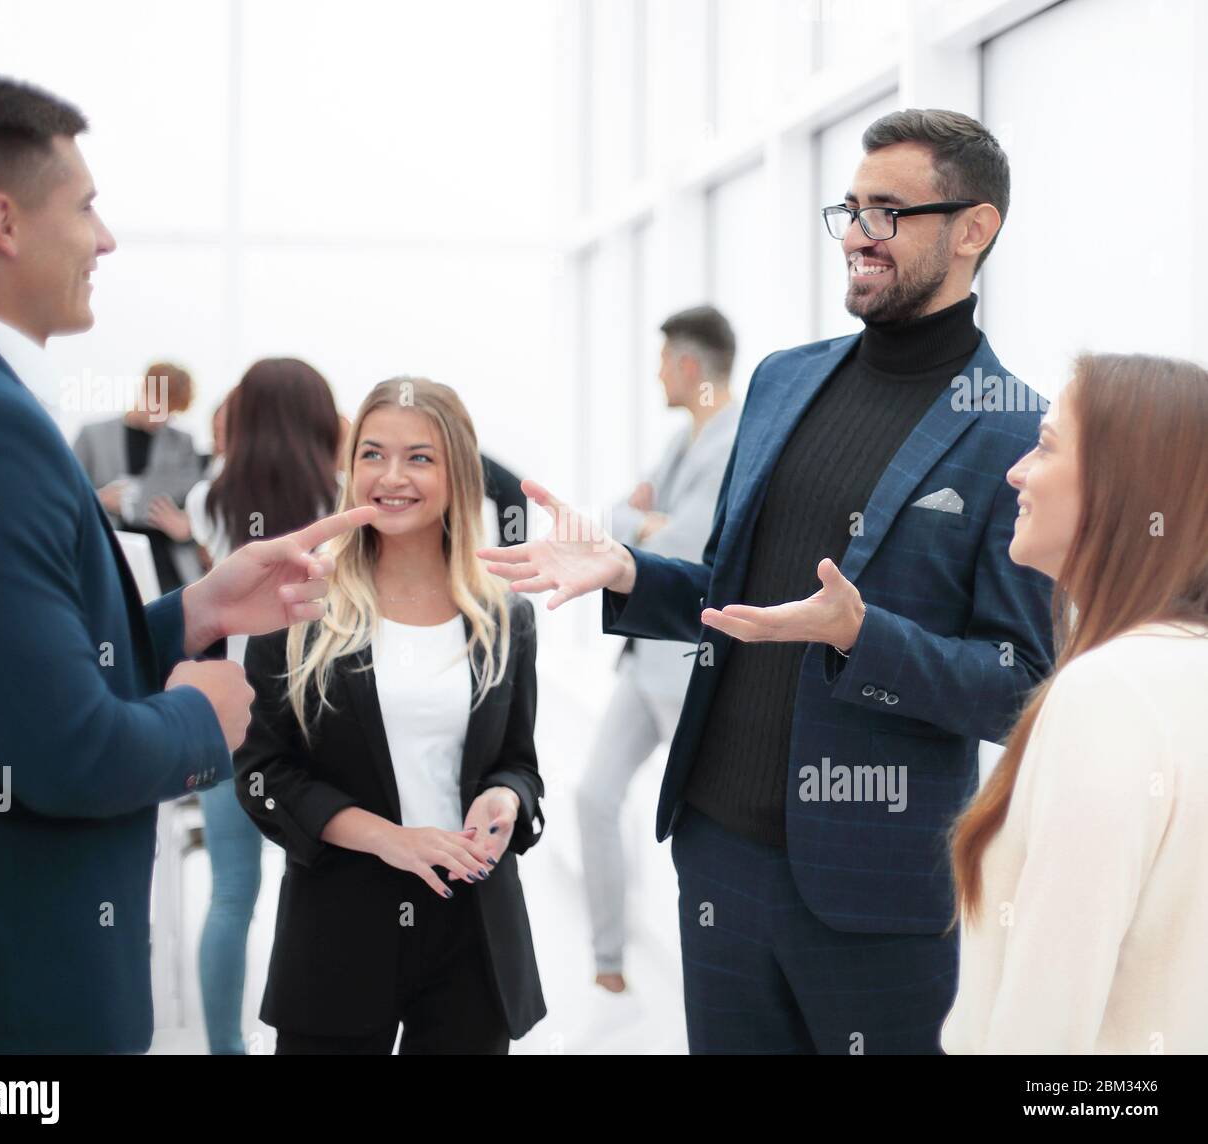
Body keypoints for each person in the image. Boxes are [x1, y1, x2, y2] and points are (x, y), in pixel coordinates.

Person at [480, 108, 1056, 1054]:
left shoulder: (1014, 434)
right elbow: (732, 593)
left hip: (874, 892)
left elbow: (1018, 687)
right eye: (852, 209)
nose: (860, 236)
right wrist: (631, 572)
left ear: (973, 230)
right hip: (718, 854)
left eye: (890, 213)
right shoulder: (784, 382)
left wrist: (860, 637)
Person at [0, 76, 373, 1053]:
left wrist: (194, 611)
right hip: (15, 1000)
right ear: (1, 221)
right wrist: (207, 713)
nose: (105, 239)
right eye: (83, 206)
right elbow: (69, 754)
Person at [235, 376, 546, 1054]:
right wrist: (388, 838)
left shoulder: (503, 615)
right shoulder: (298, 606)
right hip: (338, 932)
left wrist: (506, 796)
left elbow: (519, 764)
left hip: (472, 933)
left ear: (458, 473)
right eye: (372, 454)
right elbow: (263, 774)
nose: (391, 476)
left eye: (420, 458)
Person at [943, 353, 1208, 1054]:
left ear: (1126, 488)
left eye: (1047, 445)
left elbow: (1042, 1045)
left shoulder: (1110, 695)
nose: (1016, 472)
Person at [163, 358, 346, 1054]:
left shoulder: (210, 494)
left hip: (233, 715)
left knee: (232, 896)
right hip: (324, 712)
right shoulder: (341, 497)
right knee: (324, 897)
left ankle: (224, 1050)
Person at [578, 305, 740, 993]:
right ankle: (609, 958)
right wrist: (643, 522)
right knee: (593, 796)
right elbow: (618, 520)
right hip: (646, 660)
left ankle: (720, 971)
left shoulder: (733, 439)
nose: (655, 375)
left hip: (688, 665)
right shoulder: (682, 442)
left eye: (662, 360)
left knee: (700, 826)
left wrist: (641, 525)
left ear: (688, 366)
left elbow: (689, 547)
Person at [74, 363, 205, 591]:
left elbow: (197, 504)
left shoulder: (183, 442)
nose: (162, 418)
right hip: (108, 552)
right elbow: (64, 494)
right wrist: (99, 499)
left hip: (166, 561)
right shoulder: (92, 435)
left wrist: (187, 528)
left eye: (170, 412)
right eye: (158, 406)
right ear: (144, 389)